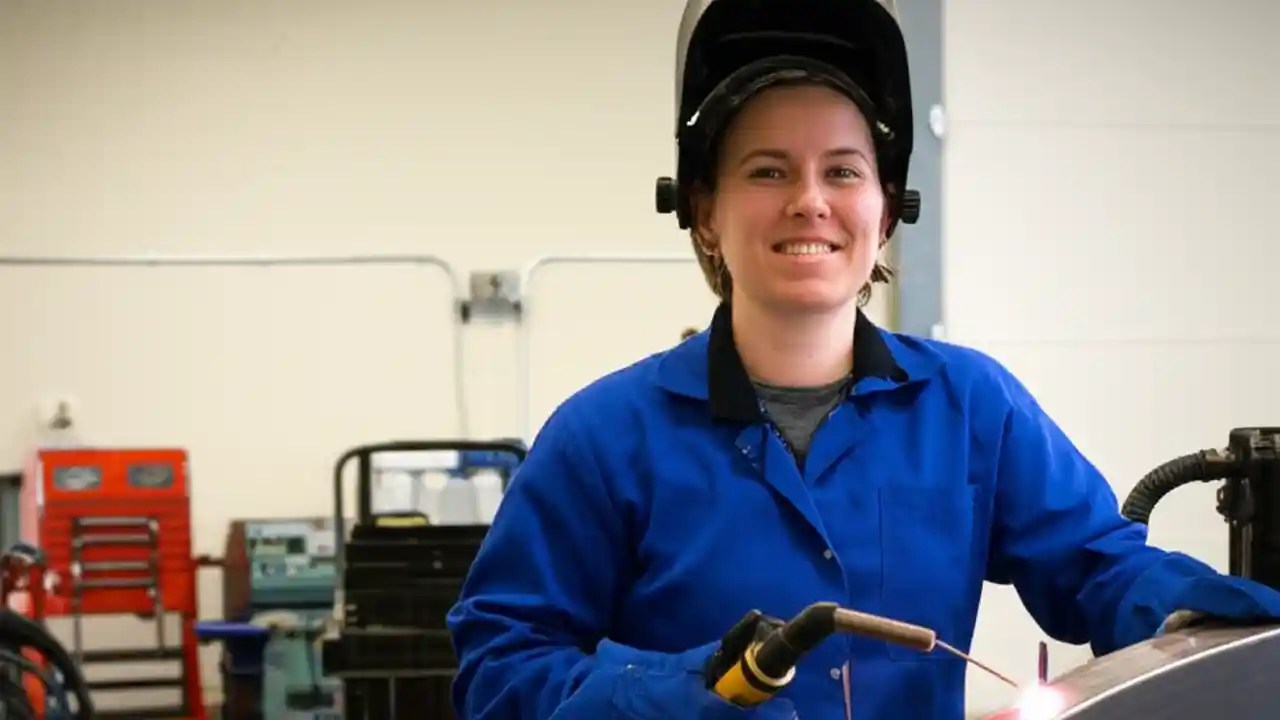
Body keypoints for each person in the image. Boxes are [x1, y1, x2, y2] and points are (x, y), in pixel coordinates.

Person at [446, 1, 1280, 718]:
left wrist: (1189, 612)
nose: (809, 199)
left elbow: (1101, 569)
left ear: (884, 214)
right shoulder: (602, 437)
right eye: (768, 170)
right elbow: (500, 669)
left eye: (842, 171)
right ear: (703, 211)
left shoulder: (971, 407)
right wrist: (683, 690)